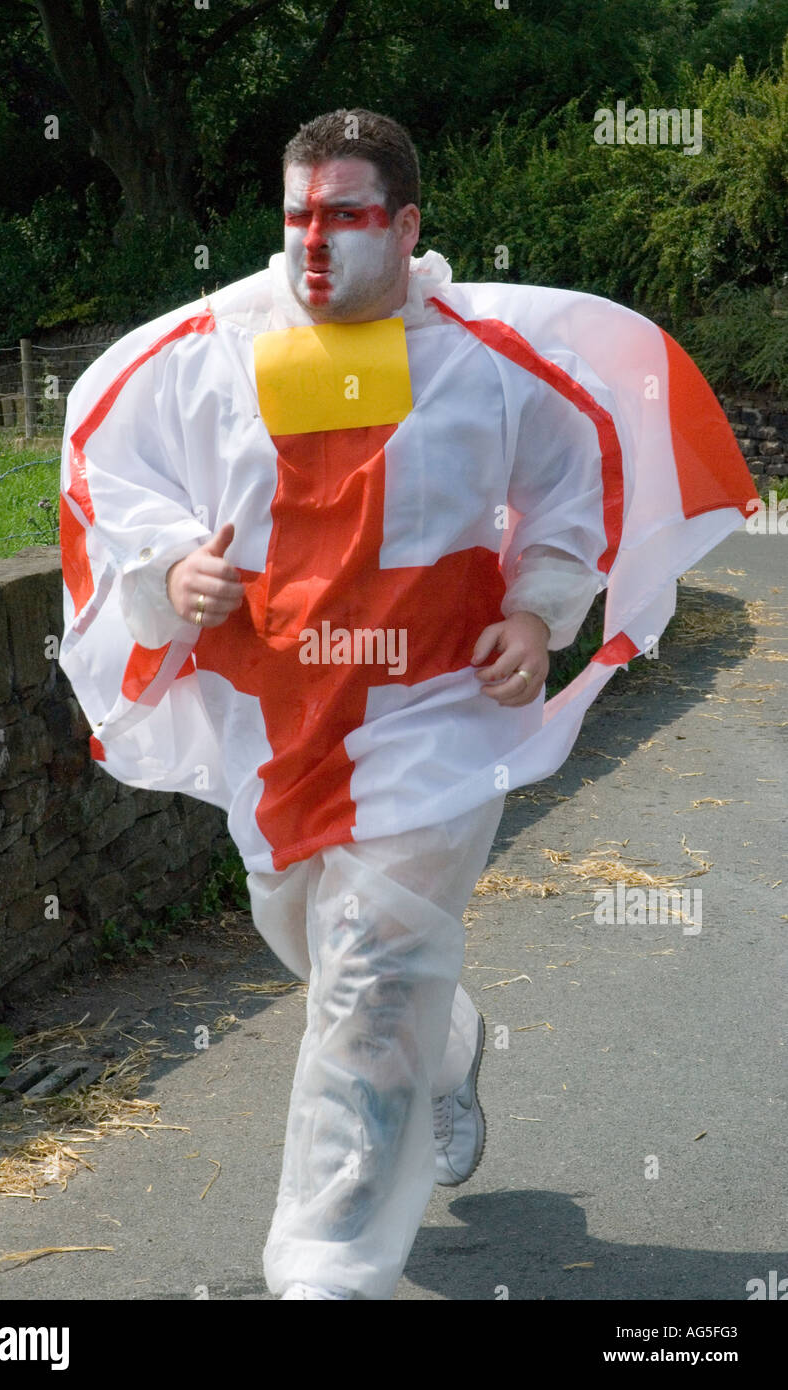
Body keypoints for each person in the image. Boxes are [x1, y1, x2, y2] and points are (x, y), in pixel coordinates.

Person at [58, 109, 757, 1300]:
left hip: (437, 721)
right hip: (282, 730)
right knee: (302, 927)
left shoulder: (490, 363)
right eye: (295, 217)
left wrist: (537, 614)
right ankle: (451, 1042)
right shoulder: (206, 350)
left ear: (410, 223)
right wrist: (167, 571)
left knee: (373, 969)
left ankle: (327, 1263)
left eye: (344, 215)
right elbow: (111, 464)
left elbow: (571, 483)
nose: (313, 245)